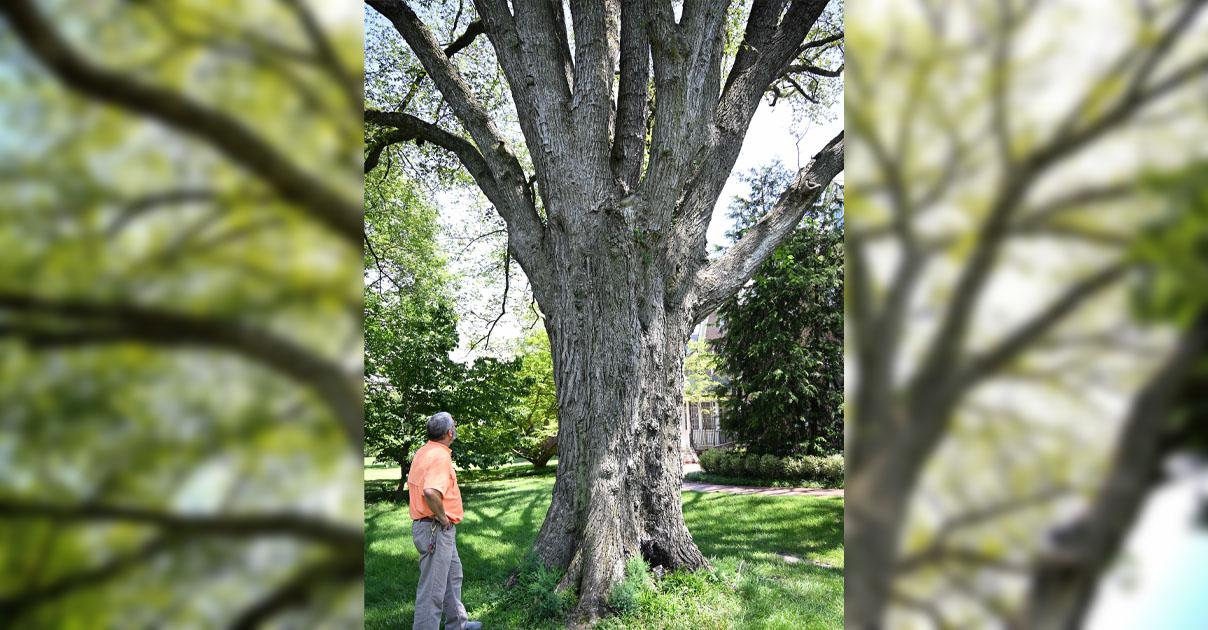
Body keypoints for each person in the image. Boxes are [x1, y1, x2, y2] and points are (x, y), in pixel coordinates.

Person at [408, 411, 482, 630]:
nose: (456, 427)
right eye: (455, 424)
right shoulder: (439, 456)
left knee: (452, 576)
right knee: (433, 590)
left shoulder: (425, 451)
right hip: (435, 528)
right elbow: (431, 492)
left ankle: (458, 624)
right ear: (450, 432)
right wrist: (443, 518)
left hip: (435, 529)